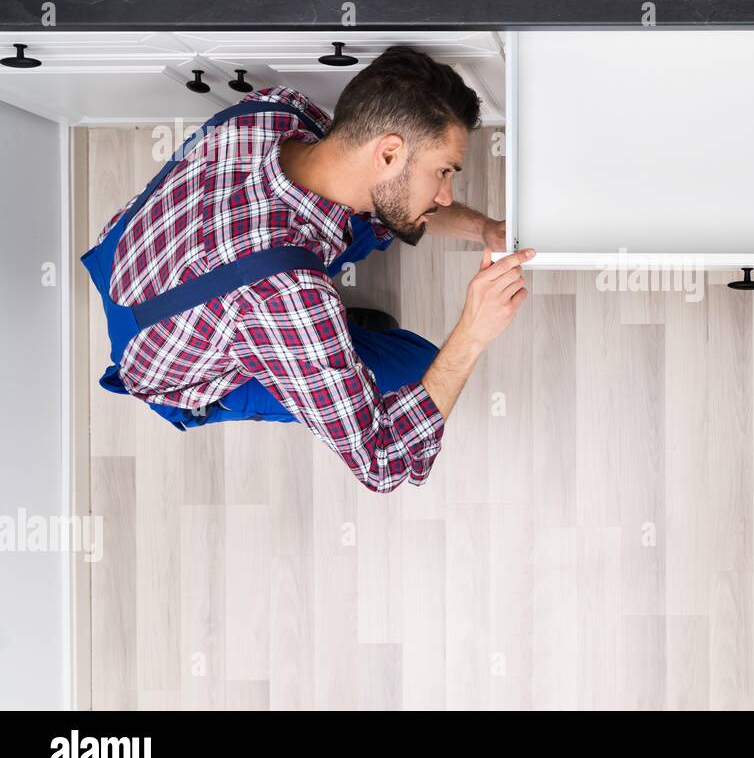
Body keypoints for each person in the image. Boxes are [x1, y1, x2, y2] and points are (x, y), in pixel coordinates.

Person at [82, 46, 533, 492]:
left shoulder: (276, 112)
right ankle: (303, 350)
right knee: (419, 373)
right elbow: (385, 461)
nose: (447, 195)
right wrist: (473, 333)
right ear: (390, 154)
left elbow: (393, 207)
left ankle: (317, 344)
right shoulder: (285, 292)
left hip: (138, 260)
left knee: (368, 214)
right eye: (443, 172)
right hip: (173, 366)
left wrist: (487, 230)